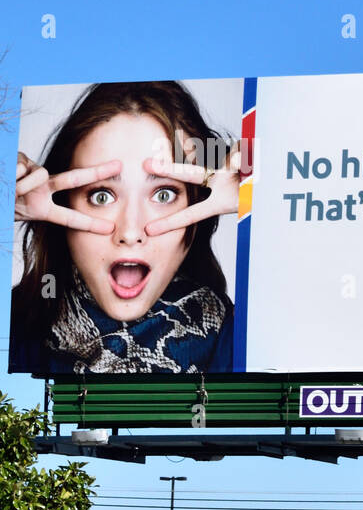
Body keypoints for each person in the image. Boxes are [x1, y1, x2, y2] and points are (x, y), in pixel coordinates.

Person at [11, 81, 242, 374]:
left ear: (199, 208)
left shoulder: (235, 336)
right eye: (101, 196)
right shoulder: (17, 324)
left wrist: (280, 200)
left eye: (164, 195)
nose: (130, 233)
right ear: (62, 202)